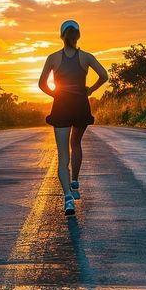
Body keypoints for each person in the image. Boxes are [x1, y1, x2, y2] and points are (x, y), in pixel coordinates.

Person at [38, 19, 108, 215]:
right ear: (78, 35)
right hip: (80, 105)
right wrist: (90, 90)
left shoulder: (53, 58)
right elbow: (104, 75)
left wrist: (56, 95)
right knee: (76, 143)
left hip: (61, 106)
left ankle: (68, 197)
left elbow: (42, 84)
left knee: (62, 156)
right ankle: (75, 181)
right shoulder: (86, 57)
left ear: (62, 36)